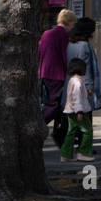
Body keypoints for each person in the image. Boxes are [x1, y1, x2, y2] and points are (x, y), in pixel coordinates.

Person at [38, 9, 77, 146]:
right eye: (73, 24)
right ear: (69, 22)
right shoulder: (63, 36)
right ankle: (40, 125)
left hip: (44, 72)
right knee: (54, 105)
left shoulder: (46, 33)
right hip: (57, 74)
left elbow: (40, 52)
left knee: (49, 101)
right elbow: (65, 55)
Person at [60, 57, 95, 162]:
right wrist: (79, 111)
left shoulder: (72, 80)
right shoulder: (78, 82)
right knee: (88, 130)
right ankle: (83, 153)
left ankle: (65, 154)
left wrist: (87, 92)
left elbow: (75, 94)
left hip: (70, 110)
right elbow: (77, 97)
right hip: (78, 111)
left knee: (71, 132)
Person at [67, 17, 101, 114]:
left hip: (71, 86)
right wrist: (89, 88)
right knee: (85, 120)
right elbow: (84, 68)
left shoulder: (71, 44)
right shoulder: (84, 46)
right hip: (82, 89)